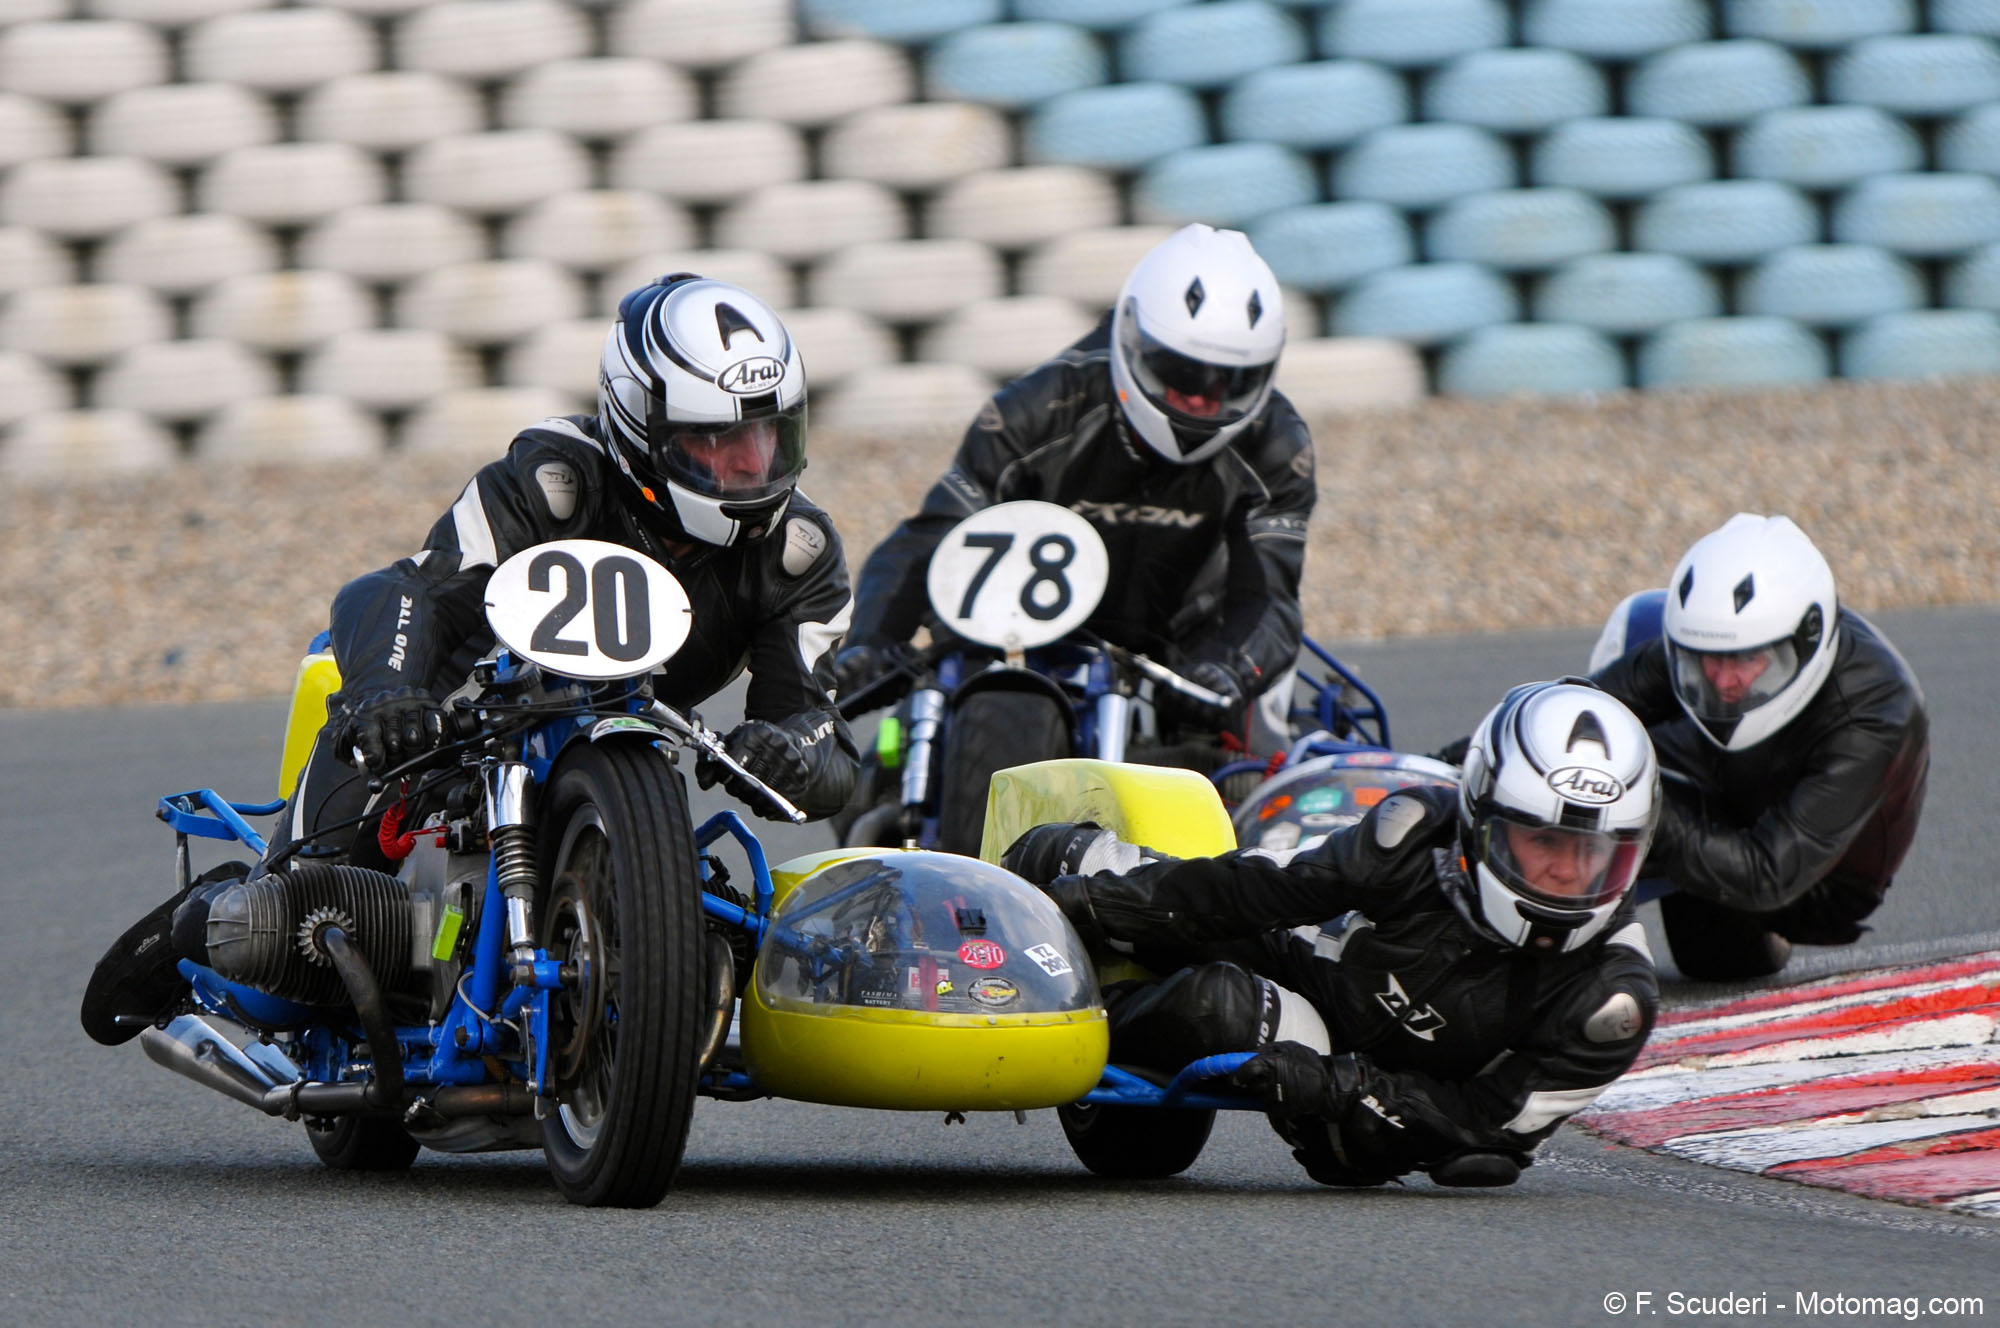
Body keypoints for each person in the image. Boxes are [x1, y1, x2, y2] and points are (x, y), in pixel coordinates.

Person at [81, 275, 861, 1046]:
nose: (749, 466)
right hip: (444, 737)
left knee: (735, 916)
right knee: (290, 974)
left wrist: (790, 751)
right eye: (715, 442)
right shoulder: (553, 483)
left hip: (624, 754)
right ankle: (206, 918)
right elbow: (403, 590)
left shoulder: (796, 553)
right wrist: (386, 695)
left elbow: (821, 735)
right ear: (640, 426)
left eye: (768, 436)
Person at [1003, 679, 1661, 1188]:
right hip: (1322, 968)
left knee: (1219, 1005)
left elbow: (1483, 1127)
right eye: (1543, 841)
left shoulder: (1612, 1000)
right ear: (1479, 821)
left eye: (1594, 852)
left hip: (1371, 1109)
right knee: (1069, 856)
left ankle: (1042, 1026)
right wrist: (1096, 901)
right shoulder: (1419, 833)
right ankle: (995, 931)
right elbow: (1266, 888)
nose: (1566, 872)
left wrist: (1337, 1088)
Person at [832, 222, 1314, 747]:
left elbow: (1271, 593)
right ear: (1133, 340)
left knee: (1257, 748)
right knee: (921, 720)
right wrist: (871, 643)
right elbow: (937, 533)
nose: (1199, 401)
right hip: (1023, 634)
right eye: (1180, 373)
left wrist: (1229, 666)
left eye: (1228, 382)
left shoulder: (1279, 447)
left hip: (1189, 646)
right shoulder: (1036, 410)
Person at [1584, 513, 1930, 981]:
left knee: (1604, 787)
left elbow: (1768, 875)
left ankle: (1578, 922)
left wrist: (1628, 797)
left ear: (1805, 638)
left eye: (1747, 659)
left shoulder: (1875, 714)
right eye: (1706, 658)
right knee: (1638, 627)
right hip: (1732, 774)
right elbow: (1584, 708)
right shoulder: (1717, 642)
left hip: (1808, 886)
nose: (1724, 680)